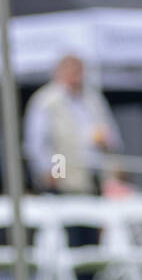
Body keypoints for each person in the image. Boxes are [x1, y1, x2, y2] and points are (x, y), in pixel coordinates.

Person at [22, 54, 122, 195]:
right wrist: (55, 173)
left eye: (79, 71)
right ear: (59, 72)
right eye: (72, 71)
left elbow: (111, 134)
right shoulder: (46, 100)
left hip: (95, 177)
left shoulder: (93, 99)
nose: (77, 76)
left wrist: (112, 161)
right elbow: (40, 144)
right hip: (63, 176)